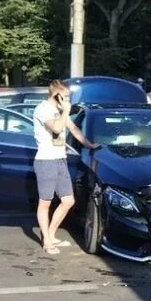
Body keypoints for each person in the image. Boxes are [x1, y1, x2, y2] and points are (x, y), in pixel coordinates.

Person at [33, 80, 100, 255]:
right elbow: (56, 128)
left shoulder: (60, 110)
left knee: (68, 200)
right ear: (57, 95)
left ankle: (51, 234)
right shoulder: (42, 109)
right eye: (66, 97)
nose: (68, 100)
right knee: (45, 202)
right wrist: (66, 112)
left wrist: (89, 144)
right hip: (46, 160)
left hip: (60, 159)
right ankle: (46, 240)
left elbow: (73, 129)